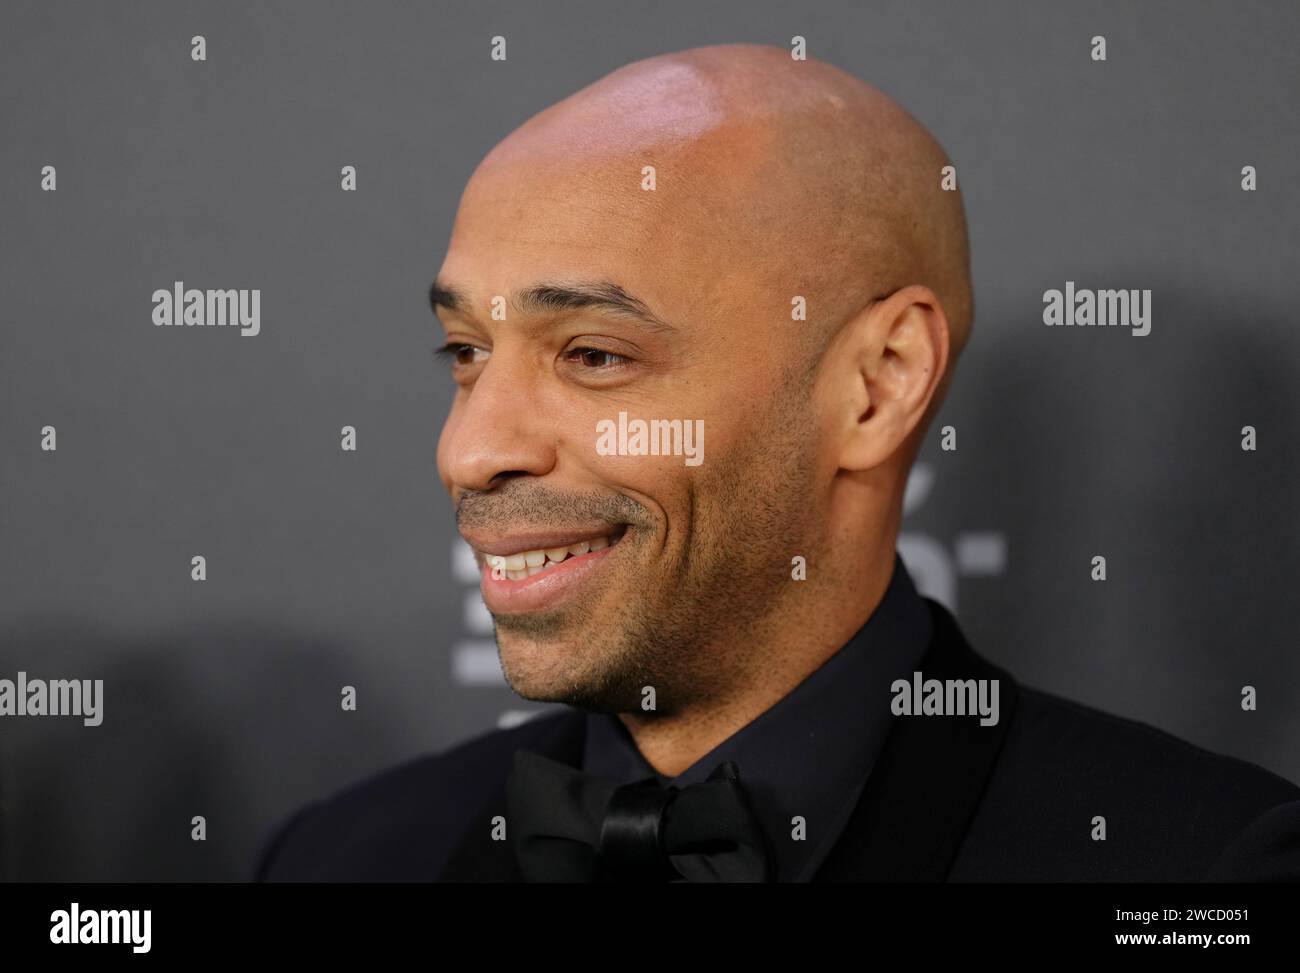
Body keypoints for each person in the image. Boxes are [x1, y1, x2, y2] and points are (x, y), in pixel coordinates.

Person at [254, 43, 1300, 882]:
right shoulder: (340, 857)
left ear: (877, 384)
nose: (472, 450)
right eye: (466, 355)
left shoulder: (1199, 867)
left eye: (594, 355)